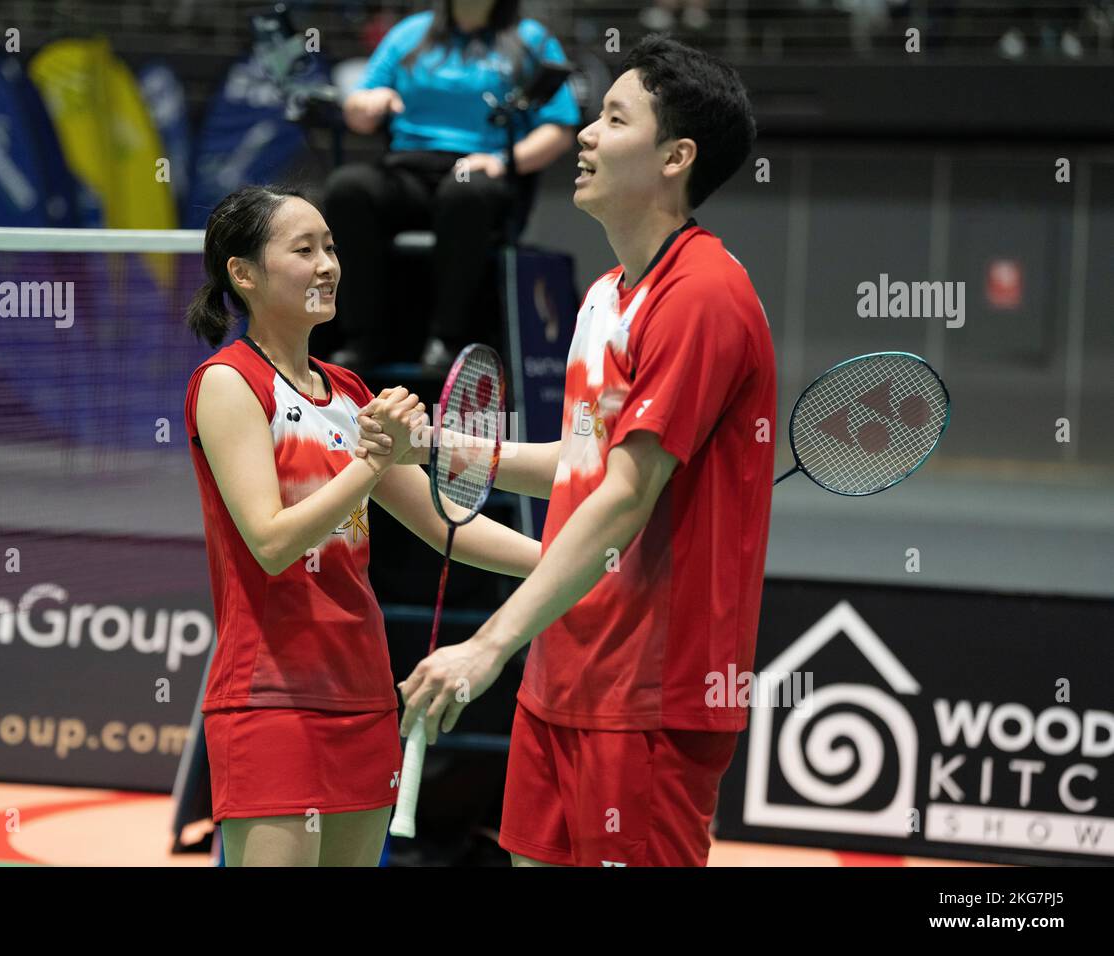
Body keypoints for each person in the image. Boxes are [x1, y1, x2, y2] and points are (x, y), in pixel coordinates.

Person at [361, 35, 775, 866]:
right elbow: (580, 462)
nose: (583, 134)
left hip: (651, 690)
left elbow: (626, 492)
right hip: (566, 666)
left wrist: (488, 644)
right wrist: (436, 447)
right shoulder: (605, 296)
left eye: (613, 118)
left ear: (675, 157)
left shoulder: (704, 295)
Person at [183, 184, 540, 866]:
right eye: (304, 249)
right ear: (244, 273)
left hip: (364, 691)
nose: (328, 264)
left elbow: (443, 526)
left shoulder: (348, 393)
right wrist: (371, 460)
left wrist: (563, 563)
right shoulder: (229, 384)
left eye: (332, 247)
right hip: (271, 695)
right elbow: (272, 542)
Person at [324, 0, 580, 373]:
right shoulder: (410, 34)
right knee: (349, 188)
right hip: (408, 168)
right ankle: (363, 339)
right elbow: (359, 108)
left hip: (479, 168)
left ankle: (448, 340)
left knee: (464, 192)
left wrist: (505, 162)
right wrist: (365, 104)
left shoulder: (530, 41)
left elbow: (558, 128)